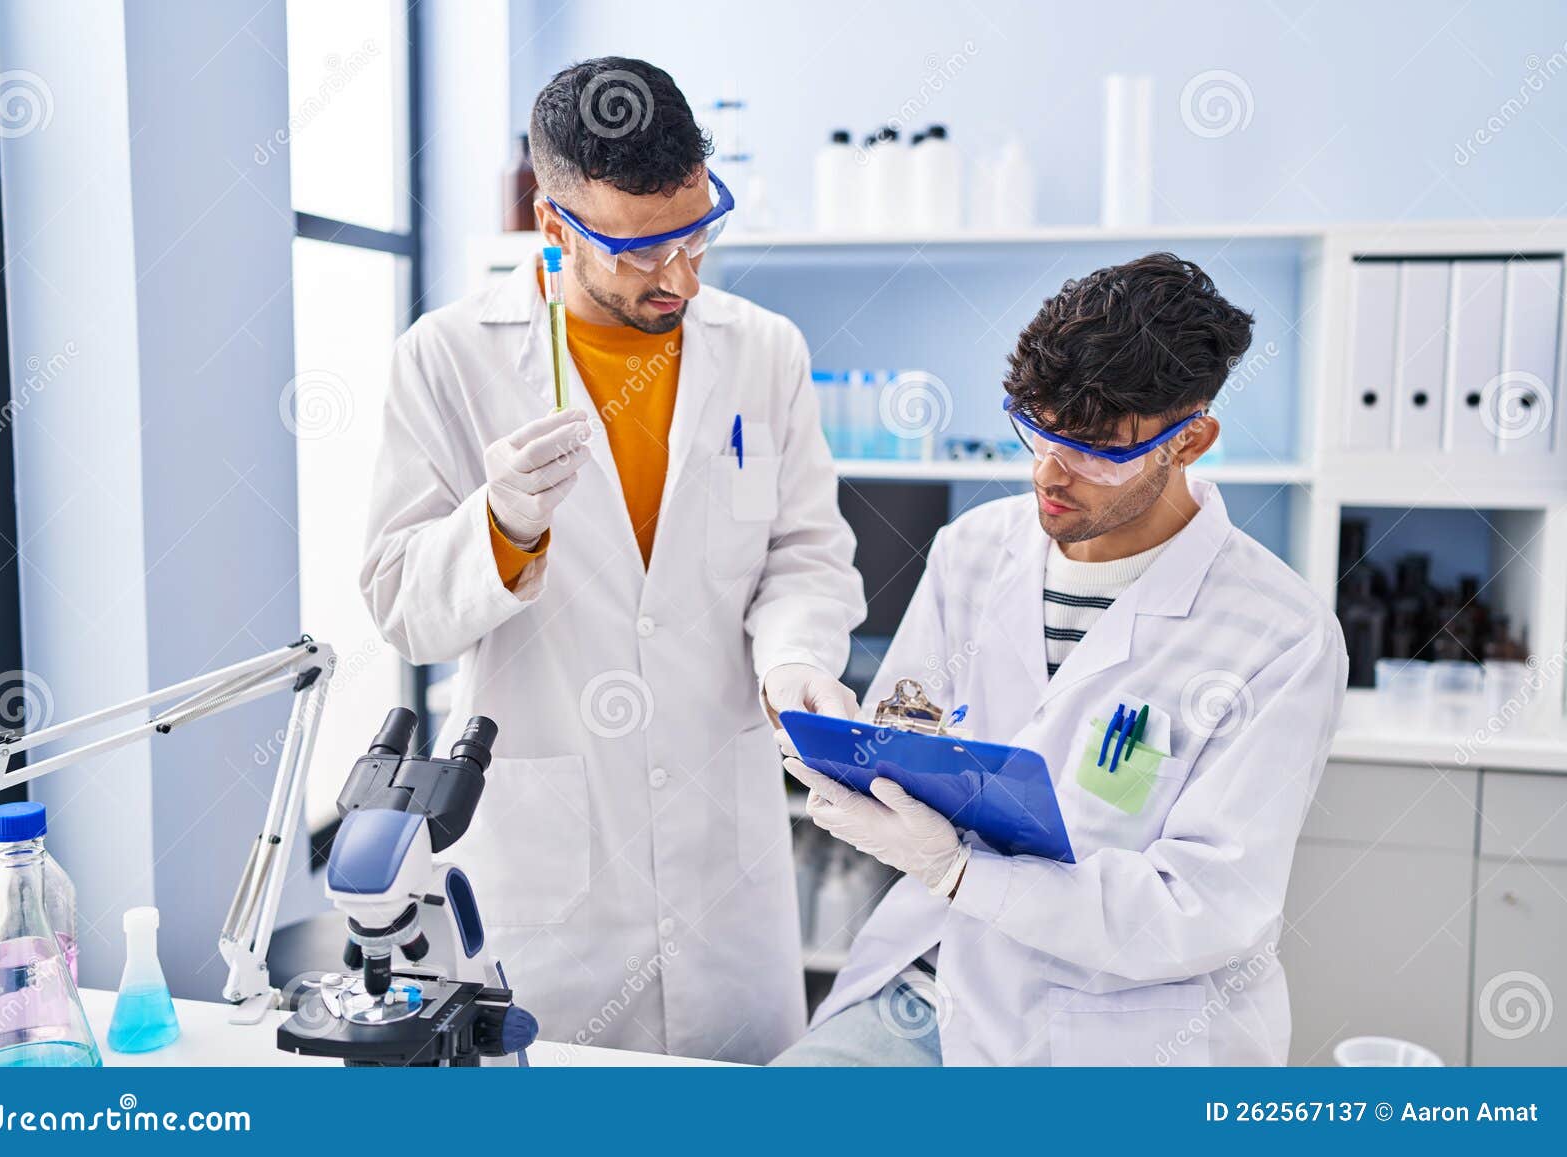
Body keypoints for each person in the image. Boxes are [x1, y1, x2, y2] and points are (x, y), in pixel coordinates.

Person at [359, 57, 864, 1064]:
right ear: (552, 224)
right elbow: (403, 605)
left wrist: (796, 658)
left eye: (696, 233)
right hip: (553, 873)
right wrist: (501, 524)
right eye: (639, 251)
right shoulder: (446, 357)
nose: (679, 276)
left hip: (724, 855)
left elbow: (806, 553)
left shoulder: (765, 349)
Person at [773, 254, 1348, 1066]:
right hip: (933, 986)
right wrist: (848, 755)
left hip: (1123, 1035)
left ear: (1190, 440)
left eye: (1095, 450)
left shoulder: (1280, 634)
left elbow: (1206, 907)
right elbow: (908, 729)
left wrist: (961, 871)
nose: (1049, 472)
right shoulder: (973, 551)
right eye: (1037, 428)